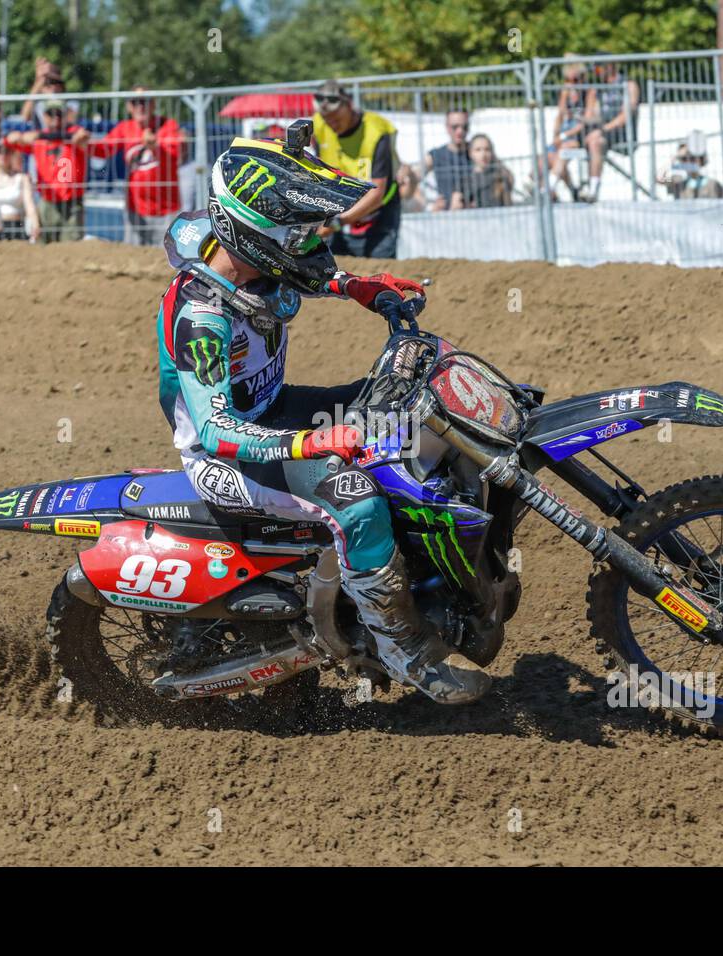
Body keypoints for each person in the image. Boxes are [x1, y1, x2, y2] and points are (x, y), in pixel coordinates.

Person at [156, 127, 490, 704]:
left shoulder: (242, 254)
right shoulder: (202, 318)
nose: (309, 240)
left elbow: (306, 272)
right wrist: (309, 444)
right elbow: (216, 429)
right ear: (255, 234)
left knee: (410, 404)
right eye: (298, 232)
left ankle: (432, 578)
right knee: (357, 502)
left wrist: (364, 288)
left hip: (273, 408)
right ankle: (404, 649)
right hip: (225, 454)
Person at [310, 80, 402, 258]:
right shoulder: (319, 124)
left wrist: (337, 222)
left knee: (379, 266)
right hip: (339, 207)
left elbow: (376, 193)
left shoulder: (376, 131)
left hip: (378, 210)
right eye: (326, 118)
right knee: (334, 266)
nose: (331, 124)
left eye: (336, 118)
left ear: (349, 105)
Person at [90, 87, 185, 246]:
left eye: (144, 101)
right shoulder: (125, 128)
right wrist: (85, 143)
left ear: (153, 104)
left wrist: (155, 147)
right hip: (136, 210)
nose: (140, 106)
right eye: (135, 102)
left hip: (166, 210)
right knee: (134, 257)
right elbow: (103, 150)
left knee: (168, 257)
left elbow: (175, 158)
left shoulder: (168, 126)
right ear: (129, 107)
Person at [5, 98, 91, 242]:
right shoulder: (38, 138)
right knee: (43, 245)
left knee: (71, 247)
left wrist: (79, 139)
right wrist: (22, 137)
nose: (55, 118)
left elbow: (87, 140)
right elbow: (10, 141)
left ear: (66, 116)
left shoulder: (75, 134)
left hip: (71, 203)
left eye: (59, 114)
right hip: (47, 201)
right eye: (51, 114)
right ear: (44, 116)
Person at [578, 62, 641, 203]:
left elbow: (626, 115)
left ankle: (592, 189)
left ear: (609, 66)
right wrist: (580, 118)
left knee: (595, 140)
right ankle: (585, 190)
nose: (596, 72)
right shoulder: (597, 89)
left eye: (598, 68)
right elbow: (591, 115)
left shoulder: (628, 85)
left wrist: (603, 129)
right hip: (600, 134)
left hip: (623, 135)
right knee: (575, 143)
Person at [547, 60, 588, 201]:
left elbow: (583, 124)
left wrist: (563, 136)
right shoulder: (566, 94)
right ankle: (572, 190)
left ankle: (548, 188)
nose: (571, 84)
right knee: (547, 158)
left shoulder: (589, 93)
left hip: (579, 138)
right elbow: (560, 116)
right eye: (567, 80)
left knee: (563, 152)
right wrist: (555, 136)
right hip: (564, 136)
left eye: (575, 80)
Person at [424, 109, 474, 210]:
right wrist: (430, 207)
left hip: (476, 214)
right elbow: (412, 178)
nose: (460, 131)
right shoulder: (436, 155)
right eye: (455, 127)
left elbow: (503, 174)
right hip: (445, 215)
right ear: (447, 127)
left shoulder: (478, 151)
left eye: (464, 127)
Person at [657, 130, 723, 199]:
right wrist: (676, 156)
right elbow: (660, 178)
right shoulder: (677, 181)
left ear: (700, 161)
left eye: (692, 158)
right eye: (684, 159)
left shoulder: (713, 184)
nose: (688, 162)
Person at [454, 134, 514, 208]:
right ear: (470, 153)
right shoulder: (465, 181)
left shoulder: (501, 176)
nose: (483, 154)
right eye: (478, 150)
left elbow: (508, 205)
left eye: (487, 149)